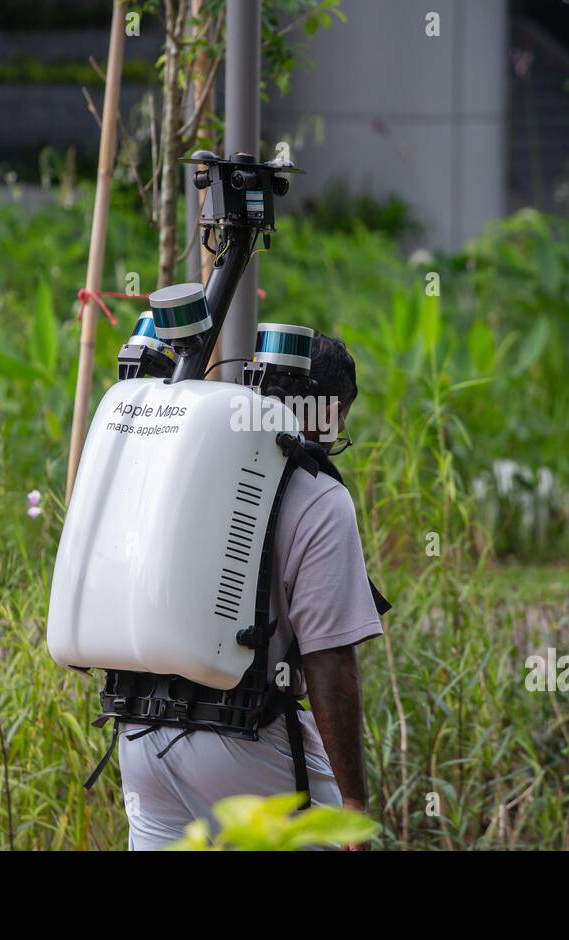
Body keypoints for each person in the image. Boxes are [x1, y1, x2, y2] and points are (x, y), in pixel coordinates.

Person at [117, 334, 385, 850]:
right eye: (342, 419)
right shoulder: (318, 497)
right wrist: (352, 801)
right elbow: (330, 661)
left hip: (138, 734)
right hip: (244, 734)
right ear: (325, 413)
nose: (340, 434)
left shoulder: (178, 473)